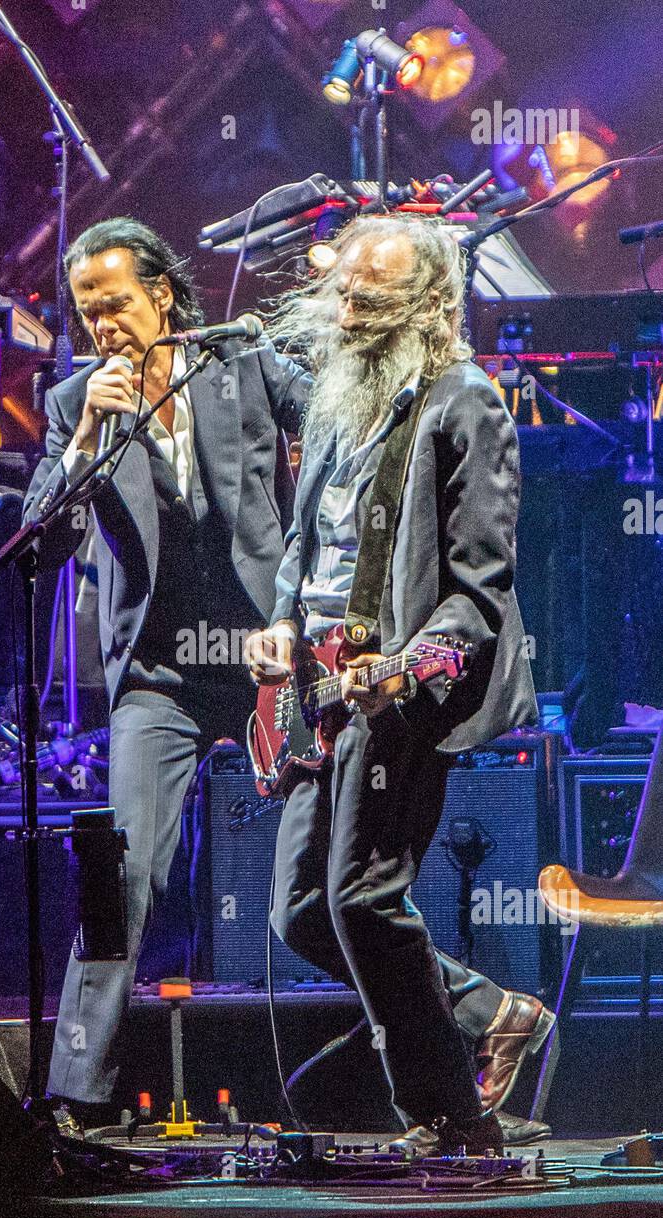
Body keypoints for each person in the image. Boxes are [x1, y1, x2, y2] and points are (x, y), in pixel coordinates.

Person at [244, 214, 543, 1154]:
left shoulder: (466, 403)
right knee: (301, 909)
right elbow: (306, 542)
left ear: (429, 302)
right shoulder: (339, 403)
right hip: (320, 684)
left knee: (363, 896)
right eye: (346, 288)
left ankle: (451, 1117)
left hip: (399, 685)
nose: (350, 302)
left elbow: (480, 589)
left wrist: (409, 669)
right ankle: (488, 1011)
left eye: (373, 290)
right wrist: (282, 625)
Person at [23, 217, 309, 1127]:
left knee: (334, 882)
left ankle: (473, 1023)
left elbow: (338, 429)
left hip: (269, 655)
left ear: (163, 295)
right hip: (157, 674)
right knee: (126, 871)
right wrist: (85, 442)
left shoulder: (241, 365)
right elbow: (44, 536)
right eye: (85, 311)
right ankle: (76, 1099)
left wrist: (308, 612)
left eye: (115, 303)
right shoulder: (78, 402)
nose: (101, 323)